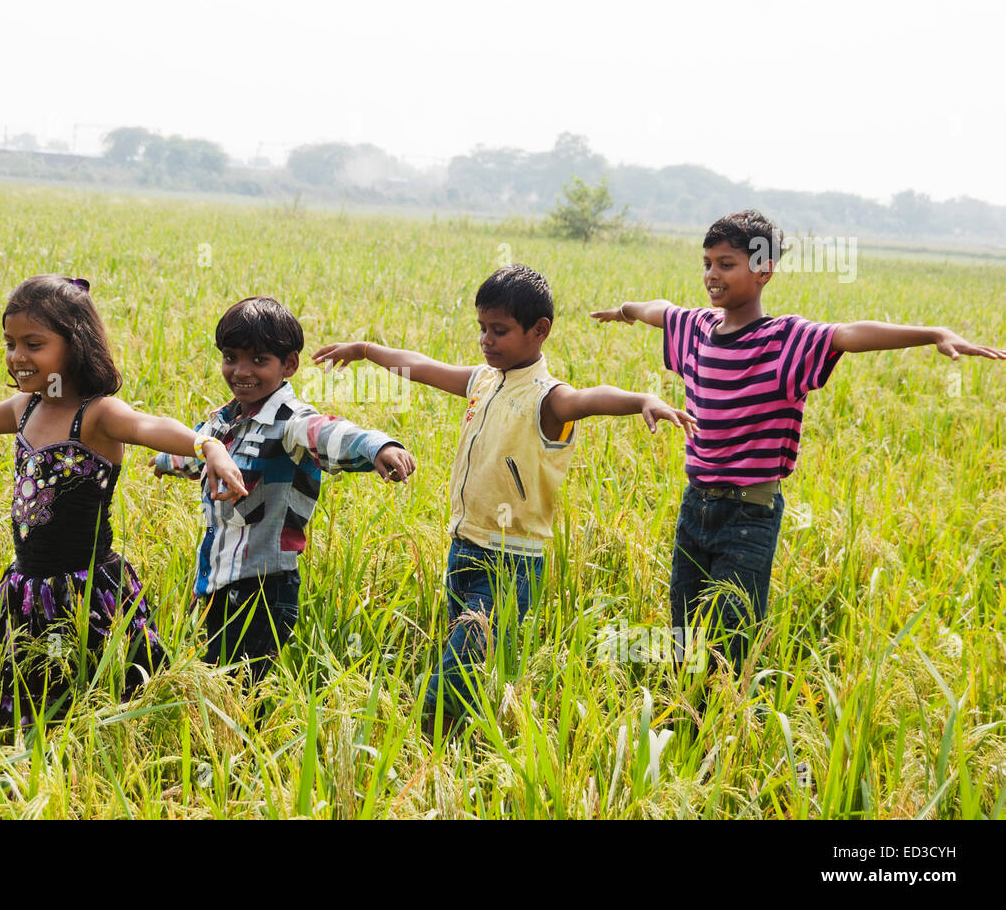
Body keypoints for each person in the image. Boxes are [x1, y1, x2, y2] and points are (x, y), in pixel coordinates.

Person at [591, 209, 1006, 676]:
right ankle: (688, 723)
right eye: (707, 263)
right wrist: (625, 311)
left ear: (763, 270)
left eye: (726, 264)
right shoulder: (696, 328)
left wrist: (934, 334)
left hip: (750, 510)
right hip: (696, 505)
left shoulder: (785, 339)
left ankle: (729, 730)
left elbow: (849, 334)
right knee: (684, 633)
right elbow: (659, 310)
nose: (711, 275)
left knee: (730, 641)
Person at [314, 264, 695, 728]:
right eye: (482, 328)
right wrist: (367, 350)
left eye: (499, 330)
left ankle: (431, 745)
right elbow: (424, 368)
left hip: (510, 564)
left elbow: (592, 398)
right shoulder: (483, 380)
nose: (486, 340)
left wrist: (641, 401)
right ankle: (461, 755)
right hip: (464, 547)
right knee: (473, 674)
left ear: (540, 331)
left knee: (448, 686)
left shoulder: (548, 398)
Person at [0, 274, 246, 728]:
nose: (18, 356)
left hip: (85, 589)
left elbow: (150, 426)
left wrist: (207, 446)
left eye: (34, 344)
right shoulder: (27, 407)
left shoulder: (96, 414)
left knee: (96, 696)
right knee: (14, 696)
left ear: (74, 345)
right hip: (26, 586)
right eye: (10, 343)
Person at [151, 296, 416, 686]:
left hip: (264, 591)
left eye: (259, 360)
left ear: (288, 364)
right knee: (213, 683)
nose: (241, 371)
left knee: (242, 692)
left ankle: (243, 746)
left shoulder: (290, 423)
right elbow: (194, 454)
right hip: (215, 583)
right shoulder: (222, 422)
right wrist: (162, 462)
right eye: (231, 358)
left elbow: (328, 432)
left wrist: (377, 446)